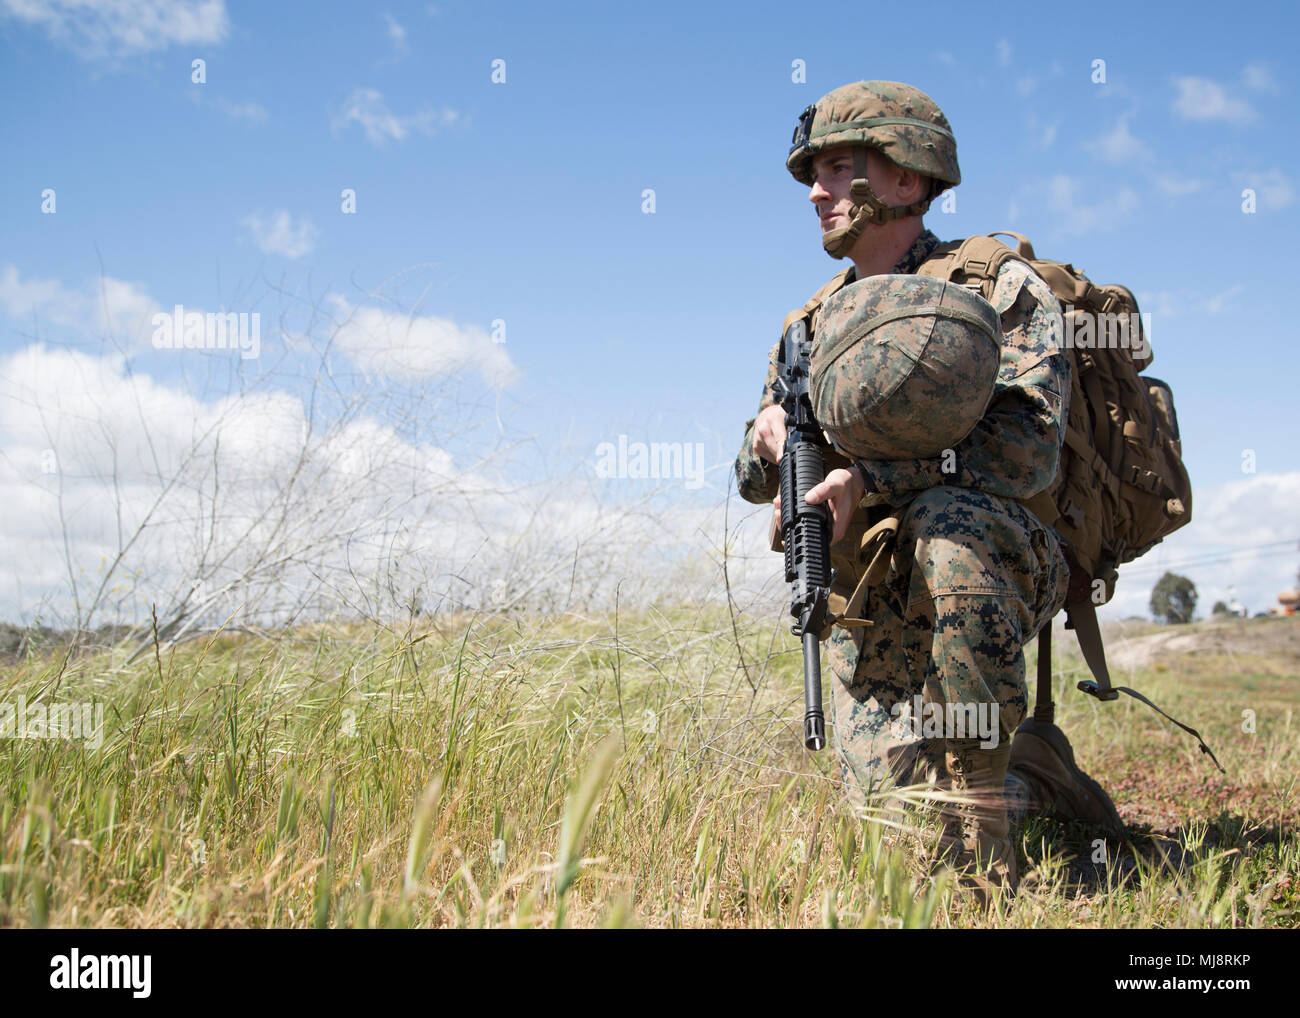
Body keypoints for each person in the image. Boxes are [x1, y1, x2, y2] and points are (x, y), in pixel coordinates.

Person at [734, 81, 1122, 897]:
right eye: (814, 174)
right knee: (897, 832)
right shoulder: (808, 329)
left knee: (947, 526)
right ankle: (1036, 772)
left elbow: (1025, 453)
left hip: (994, 557)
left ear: (907, 179)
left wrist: (870, 476)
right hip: (875, 586)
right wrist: (769, 439)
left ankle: (990, 857)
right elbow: (747, 477)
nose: (816, 191)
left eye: (841, 169)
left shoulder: (993, 287)